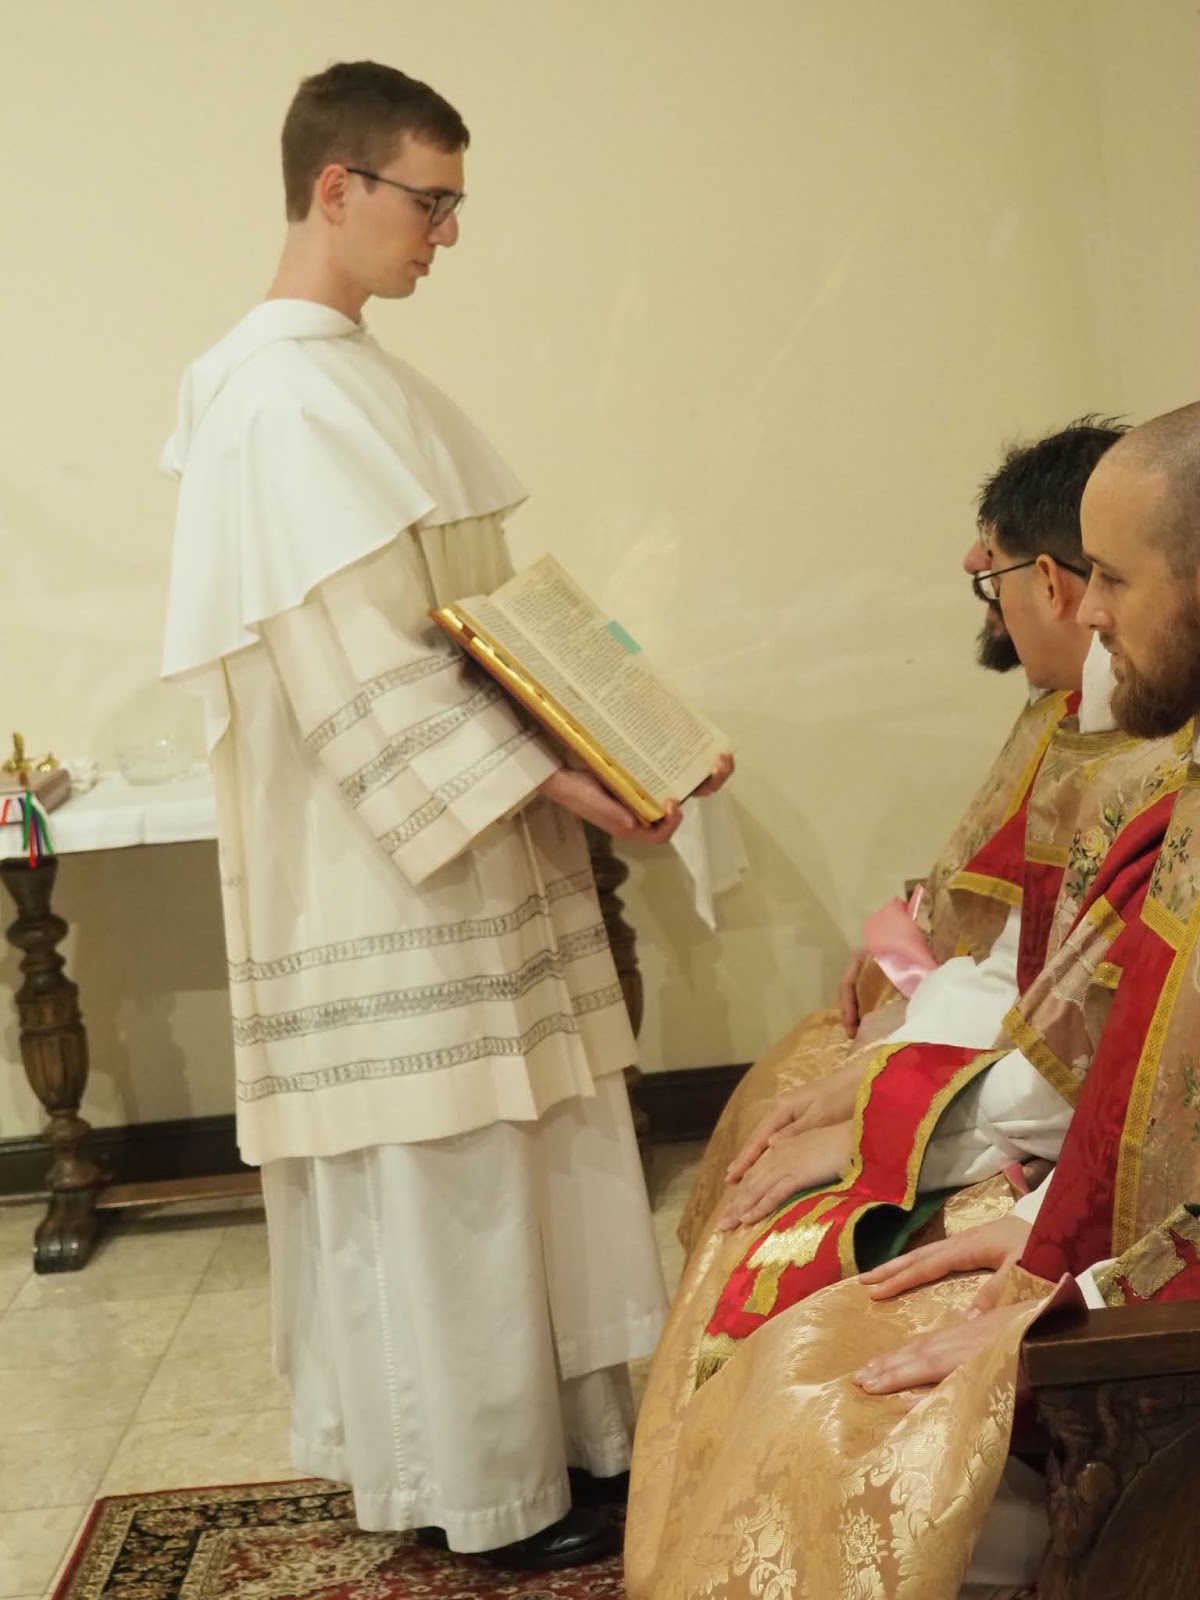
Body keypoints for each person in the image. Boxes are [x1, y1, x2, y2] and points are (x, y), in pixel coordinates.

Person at [160, 60, 731, 1569]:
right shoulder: (278, 400)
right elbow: (360, 669)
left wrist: (620, 721)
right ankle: (486, 1489)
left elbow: (482, 623)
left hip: (471, 845)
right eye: (432, 201)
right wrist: (570, 781)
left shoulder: (359, 378)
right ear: (335, 188)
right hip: (388, 874)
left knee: (523, 1143)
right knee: (447, 1169)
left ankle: (571, 1448)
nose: (449, 233)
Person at [624, 401, 1200, 1600]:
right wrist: (1047, 1229)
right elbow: (1128, 1099)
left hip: (1155, 1351)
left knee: (820, 1442)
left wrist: (1080, 1290)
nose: (1088, 613)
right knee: (792, 1390)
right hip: (1107, 1265)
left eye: (1113, 578)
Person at [680, 420, 1124, 1254]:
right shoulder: (1092, 729)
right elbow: (1034, 961)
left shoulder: (1151, 758)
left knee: (789, 1251)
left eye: (1120, 583)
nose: (1098, 615)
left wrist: (888, 1115)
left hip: (1085, 1185)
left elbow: (1114, 1064)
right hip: (1022, 1104)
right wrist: (882, 1081)